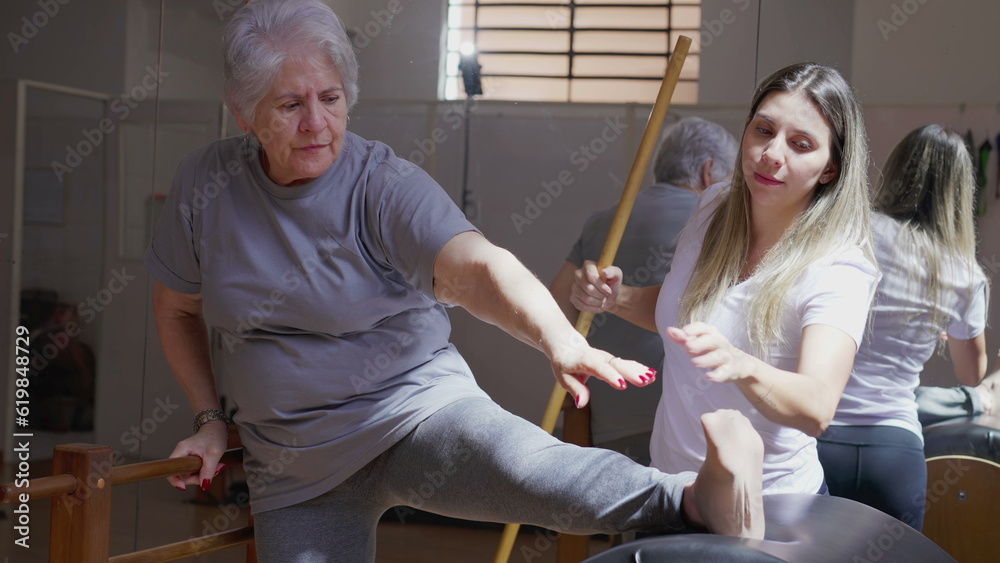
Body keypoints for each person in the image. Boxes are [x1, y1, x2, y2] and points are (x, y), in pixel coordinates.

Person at [143, 1, 765, 560]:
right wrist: (209, 417)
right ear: (243, 114)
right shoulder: (206, 185)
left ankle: (694, 497)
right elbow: (175, 310)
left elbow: (479, 269)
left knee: (531, 470)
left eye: (330, 99)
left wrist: (560, 340)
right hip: (292, 469)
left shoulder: (382, 185)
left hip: (414, 412)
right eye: (289, 104)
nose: (317, 123)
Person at [571, 62, 879, 496]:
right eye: (764, 130)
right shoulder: (714, 206)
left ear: (830, 168)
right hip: (671, 491)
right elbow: (685, 313)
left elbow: (817, 407)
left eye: (801, 144)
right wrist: (615, 297)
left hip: (769, 507)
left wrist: (742, 365)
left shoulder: (840, 265)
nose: (772, 153)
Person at [817, 124, 990, 530]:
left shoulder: (850, 232)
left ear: (897, 169)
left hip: (823, 436)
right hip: (895, 450)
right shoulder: (965, 274)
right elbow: (971, 374)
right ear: (960, 192)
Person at [549, 117, 738, 464]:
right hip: (683, 417)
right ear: (709, 171)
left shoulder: (604, 219)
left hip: (608, 407)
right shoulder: (718, 221)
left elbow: (561, 295)